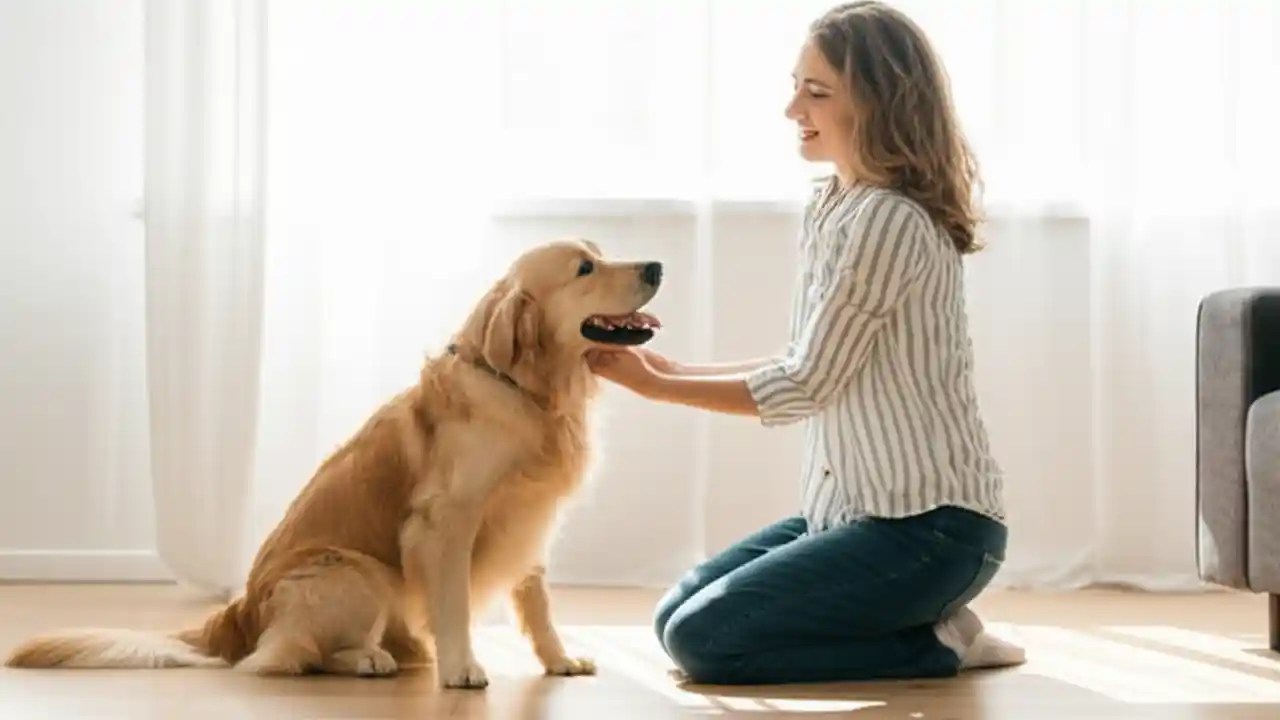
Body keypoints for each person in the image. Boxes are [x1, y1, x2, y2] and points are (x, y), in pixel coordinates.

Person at [586, 1, 1026, 686]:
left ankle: (939, 643)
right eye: (796, 85)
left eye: (816, 92)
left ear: (880, 105)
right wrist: (674, 367)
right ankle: (919, 622)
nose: (793, 107)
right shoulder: (833, 206)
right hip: (849, 515)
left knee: (709, 643)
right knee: (675, 618)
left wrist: (659, 386)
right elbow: (807, 359)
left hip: (931, 532)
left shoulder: (888, 219)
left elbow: (804, 387)